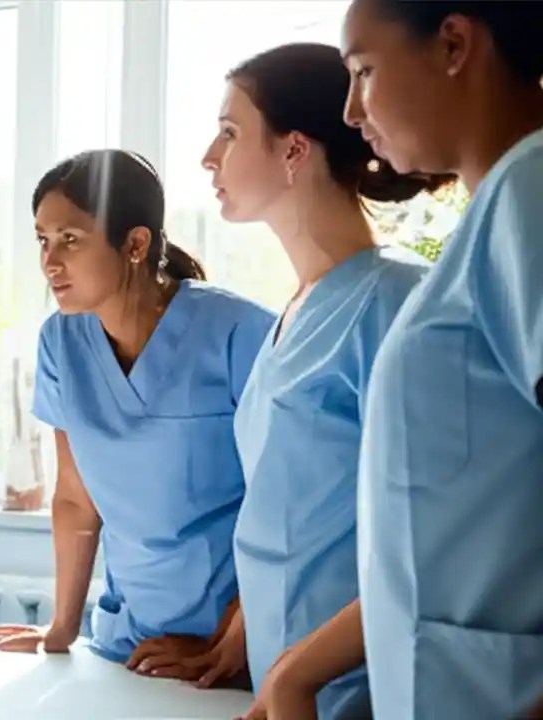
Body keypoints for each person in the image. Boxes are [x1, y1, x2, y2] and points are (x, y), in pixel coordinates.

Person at [177, 42, 451, 719]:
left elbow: (439, 538)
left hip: (362, 692)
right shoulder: (293, 312)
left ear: (294, 150)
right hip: (284, 684)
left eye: (230, 132)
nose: (209, 156)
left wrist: (303, 670)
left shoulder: (397, 304)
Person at [0, 150, 275, 666]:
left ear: (135, 243)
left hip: (239, 645)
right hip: (129, 640)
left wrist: (231, 642)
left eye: (70, 239)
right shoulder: (61, 342)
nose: (50, 261)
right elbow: (74, 498)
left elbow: (282, 504)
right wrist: (61, 630)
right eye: (43, 241)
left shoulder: (240, 334)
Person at [340, 1, 543, 717]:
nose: (350, 109)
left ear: (454, 44)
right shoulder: (492, 213)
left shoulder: (531, 190)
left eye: (363, 71)